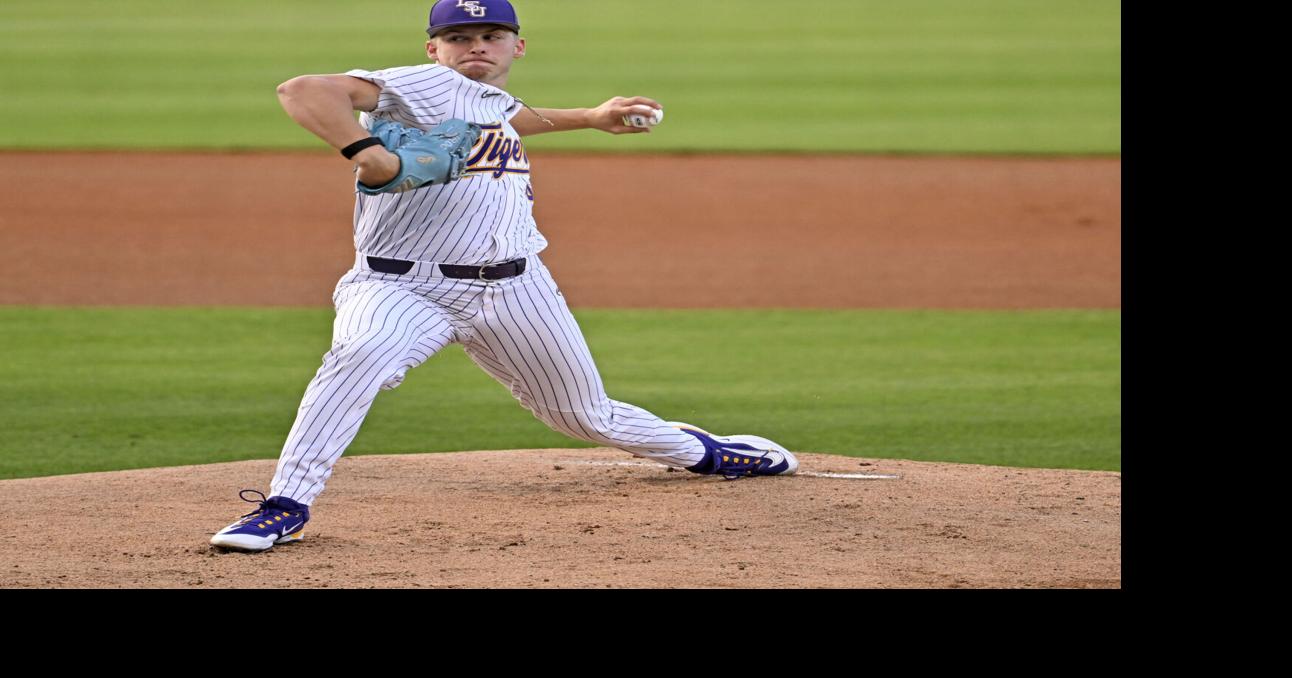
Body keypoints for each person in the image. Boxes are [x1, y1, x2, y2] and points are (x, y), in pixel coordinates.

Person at [211, 0, 797, 553]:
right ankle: (286, 505)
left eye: (491, 36)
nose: (476, 46)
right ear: (434, 49)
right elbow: (301, 90)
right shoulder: (420, 84)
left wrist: (592, 118)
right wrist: (368, 153)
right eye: (458, 38)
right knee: (358, 356)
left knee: (584, 414)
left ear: (518, 46)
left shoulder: (486, 100)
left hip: (517, 289)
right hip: (400, 286)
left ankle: (704, 452)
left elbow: (509, 118)